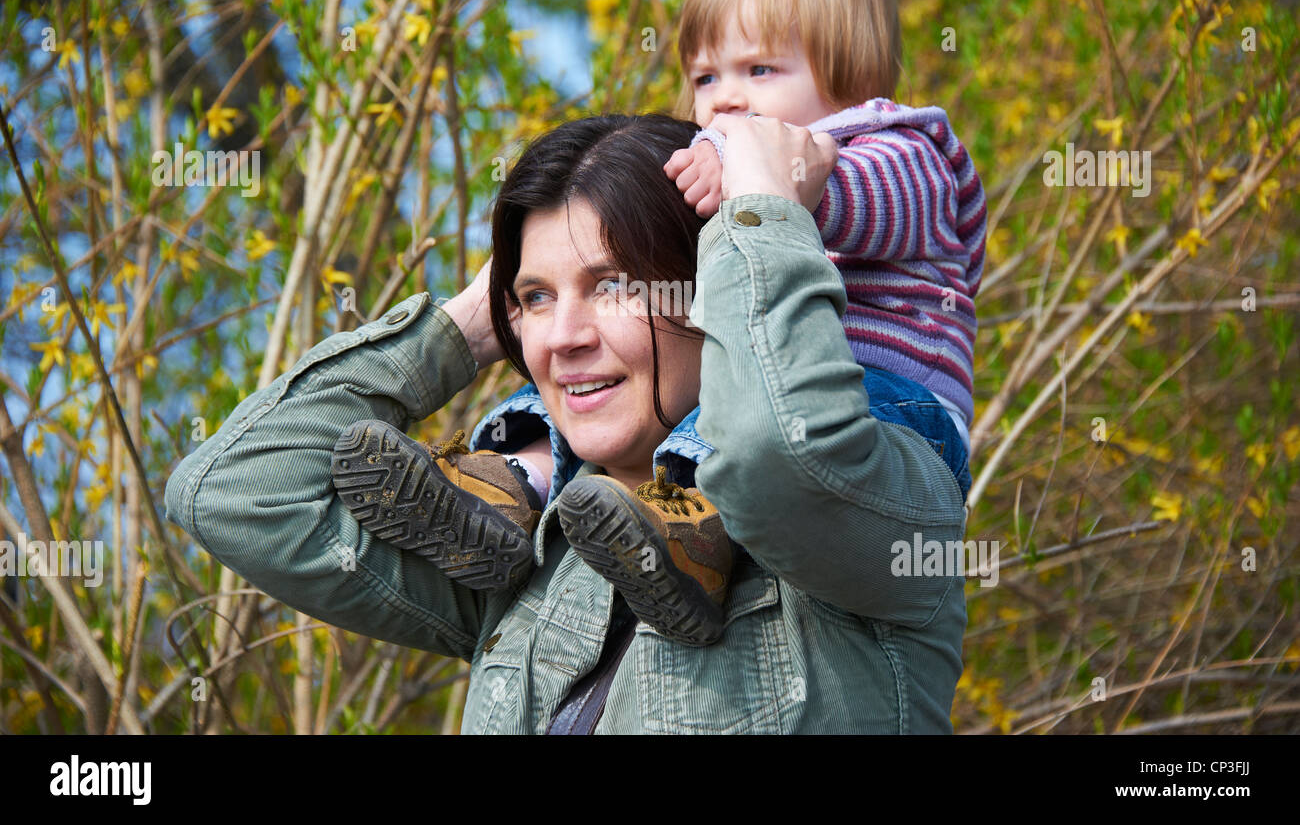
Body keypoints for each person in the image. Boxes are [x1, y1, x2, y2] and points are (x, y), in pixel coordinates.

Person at [165, 113, 968, 733]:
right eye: (538, 297)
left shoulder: (877, 517)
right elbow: (229, 491)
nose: (562, 338)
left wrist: (761, 209)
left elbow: (774, 455)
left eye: (615, 285)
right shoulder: (528, 558)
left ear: (716, 290)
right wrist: (476, 324)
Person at [340, 0, 983, 646]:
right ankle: (511, 486)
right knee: (583, 364)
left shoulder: (903, 147)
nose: (726, 100)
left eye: (760, 68)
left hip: (893, 401)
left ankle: (691, 524)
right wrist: (493, 313)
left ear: (851, 75)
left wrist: (778, 187)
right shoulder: (723, 157)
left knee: (731, 403)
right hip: (759, 385)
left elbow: (874, 203)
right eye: (705, 78)